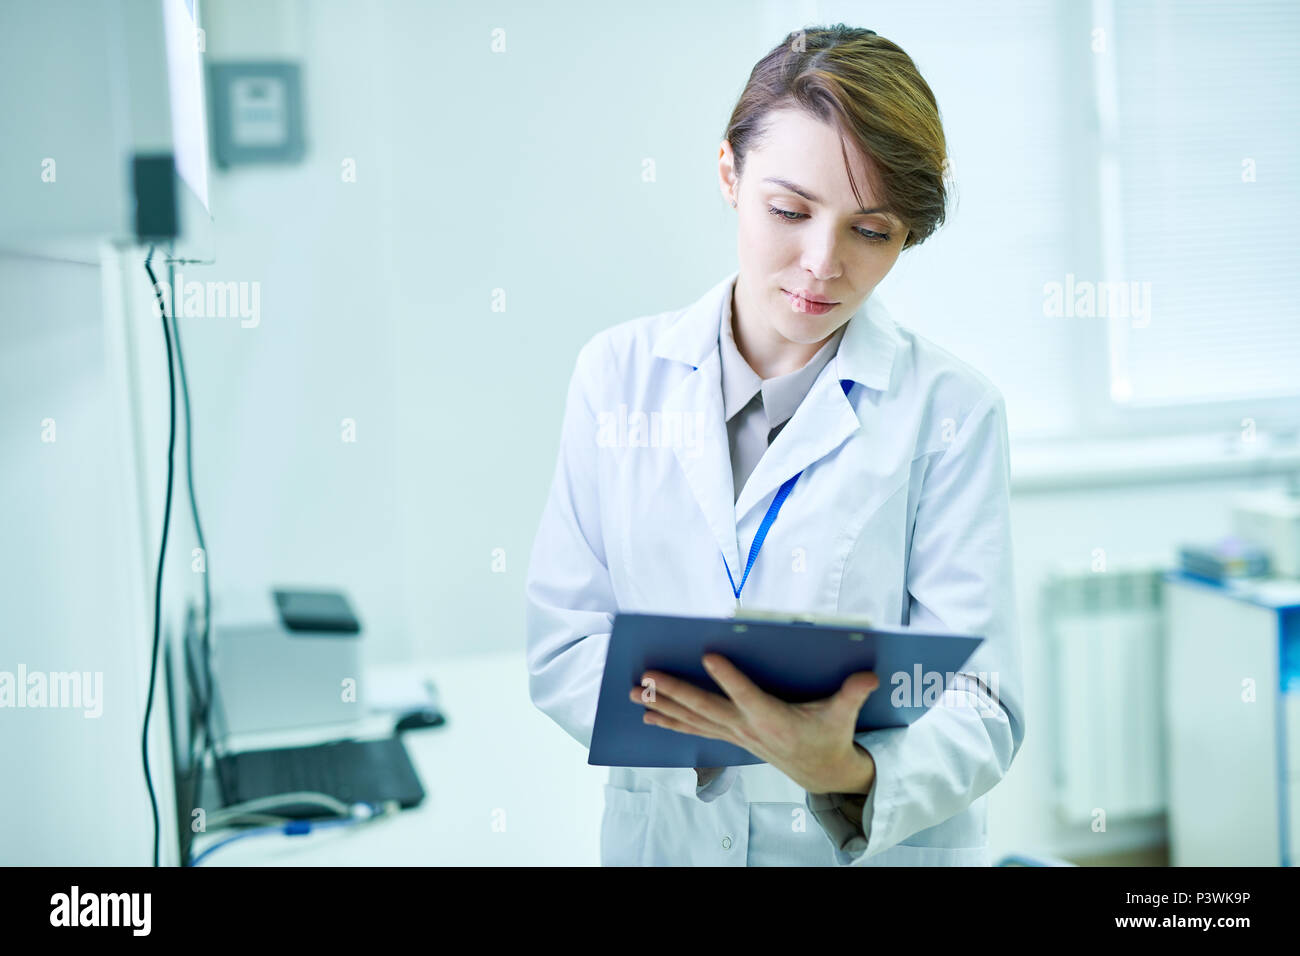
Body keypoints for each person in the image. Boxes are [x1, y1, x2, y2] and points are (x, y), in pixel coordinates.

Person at [525, 25, 1025, 866]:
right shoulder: (616, 376)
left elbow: (982, 701)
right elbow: (565, 642)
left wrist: (848, 770)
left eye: (872, 231)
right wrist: (724, 734)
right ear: (729, 174)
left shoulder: (954, 410)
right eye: (789, 211)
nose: (821, 264)